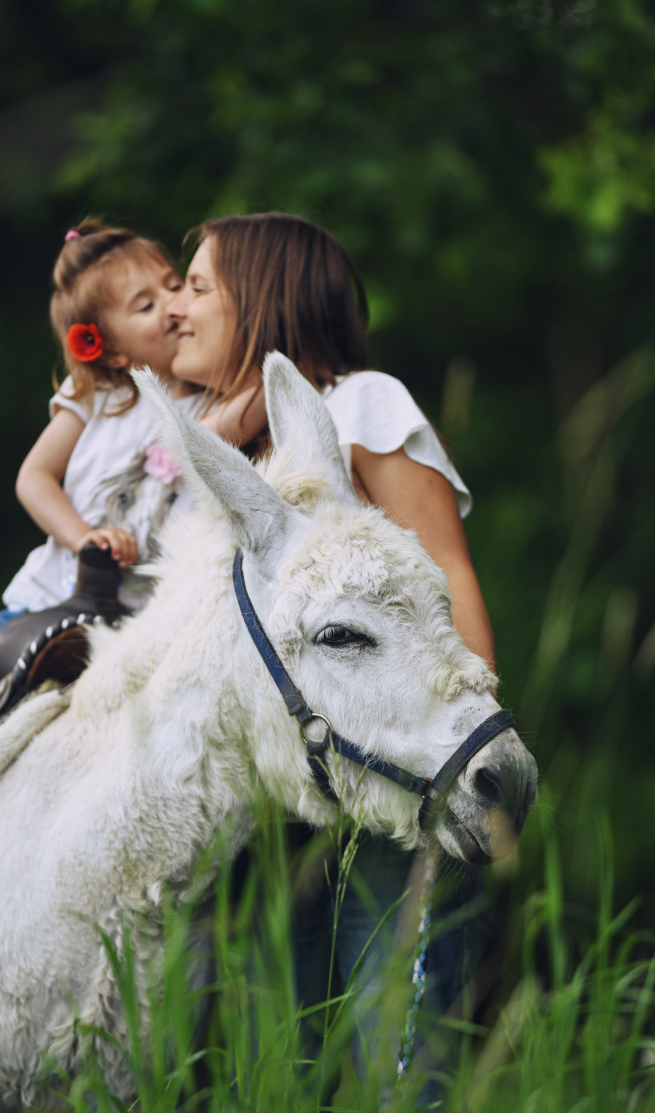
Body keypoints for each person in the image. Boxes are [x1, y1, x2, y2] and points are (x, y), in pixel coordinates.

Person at [165, 211, 495, 1101]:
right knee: (276, 1070)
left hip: (392, 784)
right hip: (268, 817)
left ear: (263, 299)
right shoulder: (206, 445)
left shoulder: (361, 404)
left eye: (198, 287)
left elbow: (445, 575)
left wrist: (462, 739)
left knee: (400, 1065)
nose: (175, 310)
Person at [0, 221, 259, 781]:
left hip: (138, 628)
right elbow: (34, 478)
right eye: (145, 304)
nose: (171, 304)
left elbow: (263, 390)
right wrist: (82, 538)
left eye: (174, 285)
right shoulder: (99, 396)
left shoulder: (213, 405)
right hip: (42, 607)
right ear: (111, 349)